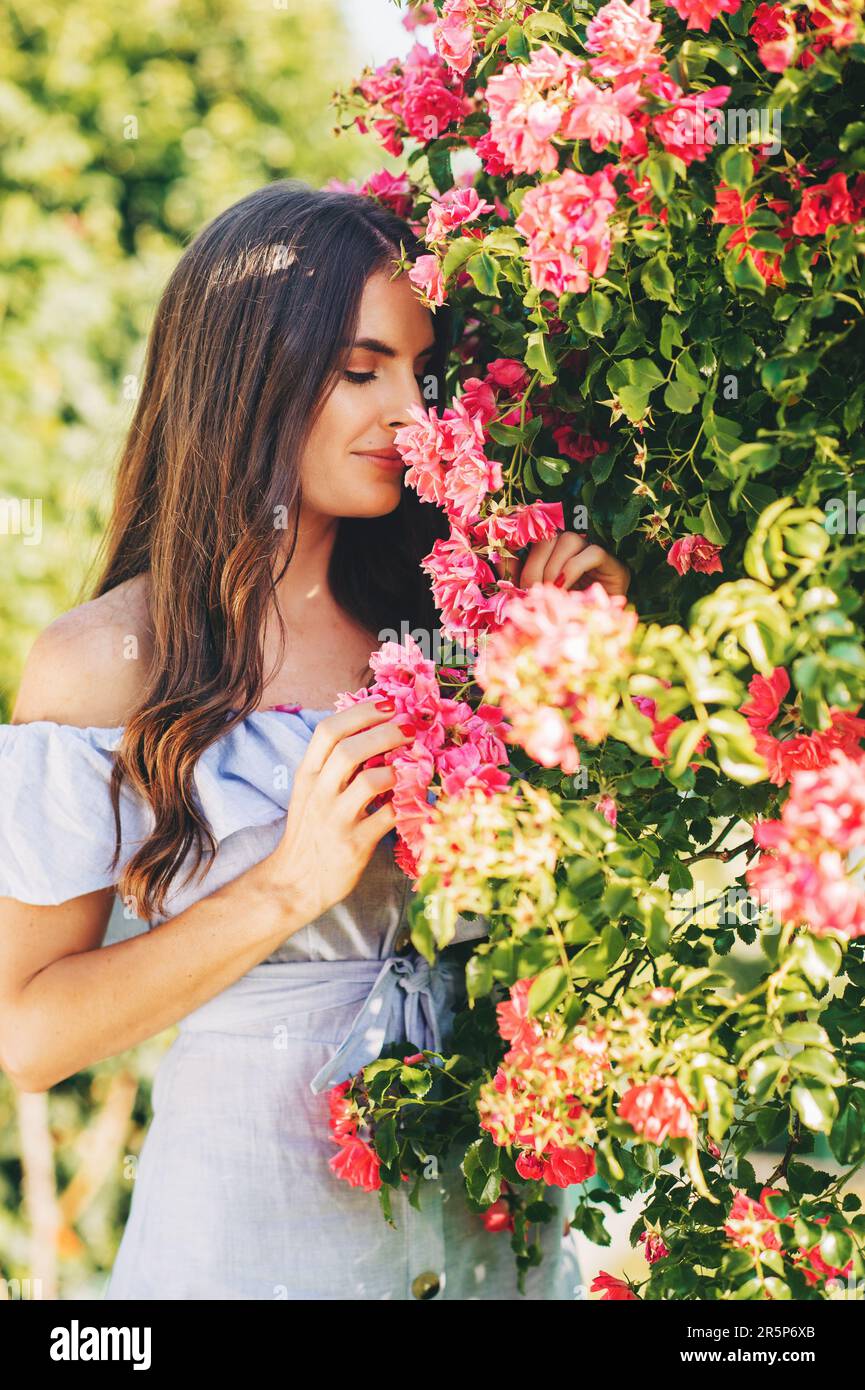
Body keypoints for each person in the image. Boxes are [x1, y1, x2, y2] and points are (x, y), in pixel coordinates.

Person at [0, 180, 630, 1300]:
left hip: (487, 1223)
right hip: (249, 1240)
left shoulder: (449, 625)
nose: (411, 413)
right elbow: (29, 1035)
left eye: (423, 376)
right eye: (360, 370)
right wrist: (287, 885)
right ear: (249, 371)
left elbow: (589, 920)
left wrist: (578, 682)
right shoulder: (105, 662)